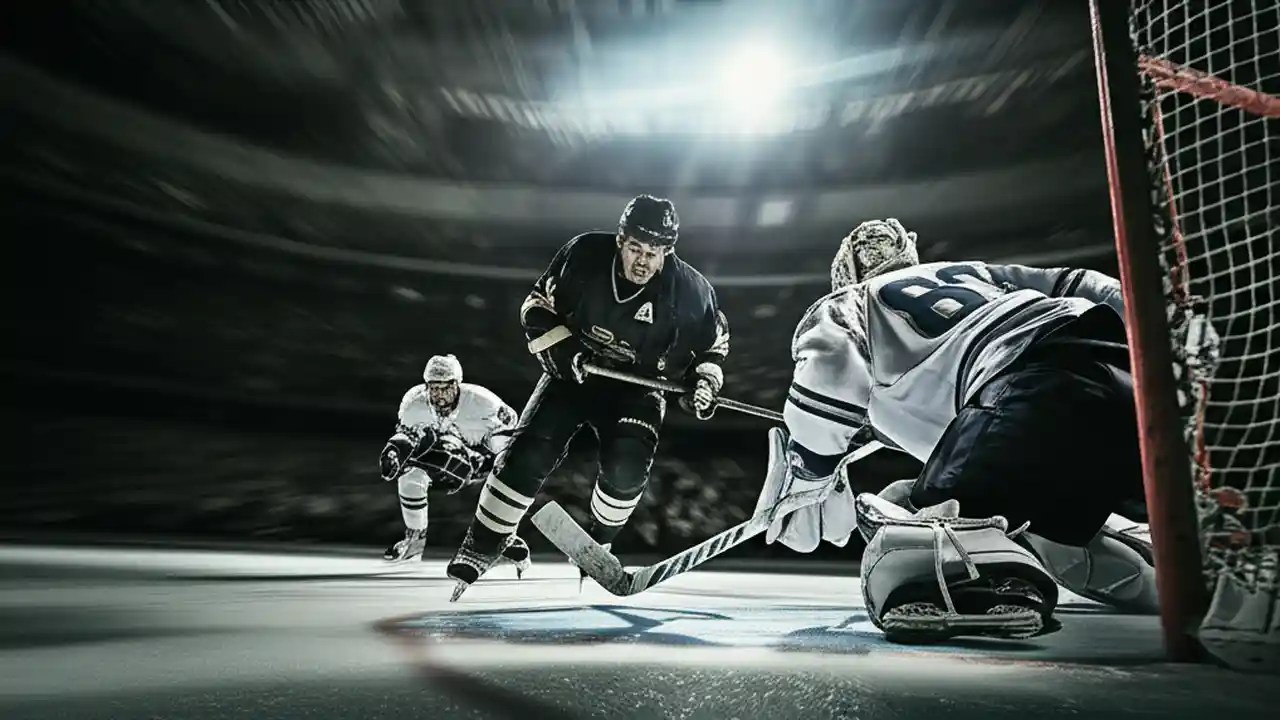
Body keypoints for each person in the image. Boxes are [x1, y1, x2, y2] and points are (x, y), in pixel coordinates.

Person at [758, 218, 1156, 638]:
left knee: (907, 518)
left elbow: (833, 363)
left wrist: (810, 470)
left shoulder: (850, 302)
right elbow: (1089, 285)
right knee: (1044, 528)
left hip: (1031, 382)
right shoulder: (973, 275)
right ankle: (1166, 569)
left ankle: (975, 582)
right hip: (1127, 377)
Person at [447, 194, 730, 598]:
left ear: (668, 251)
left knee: (628, 468)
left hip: (639, 387)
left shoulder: (690, 291)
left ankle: (596, 546)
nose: (642, 261)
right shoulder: (583, 255)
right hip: (574, 373)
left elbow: (713, 346)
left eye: (653, 252)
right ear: (620, 240)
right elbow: (536, 305)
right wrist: (562, 351)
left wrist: (705, 382)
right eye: (635, 248)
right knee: (528, 452)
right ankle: (481, 543)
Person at [379, 354, 519, 564]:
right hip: (442, 460)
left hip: (482, 460)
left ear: (457, 384)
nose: (440, 396)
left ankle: (506, 538)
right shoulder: (414, 403)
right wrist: (394, 452)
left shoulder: (483, 401)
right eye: (434, 388)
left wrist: (493, 457)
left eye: (446, 388)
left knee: (508, 472)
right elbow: (408, 437)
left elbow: (510, 432)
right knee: (409, 477)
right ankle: (415, 540)